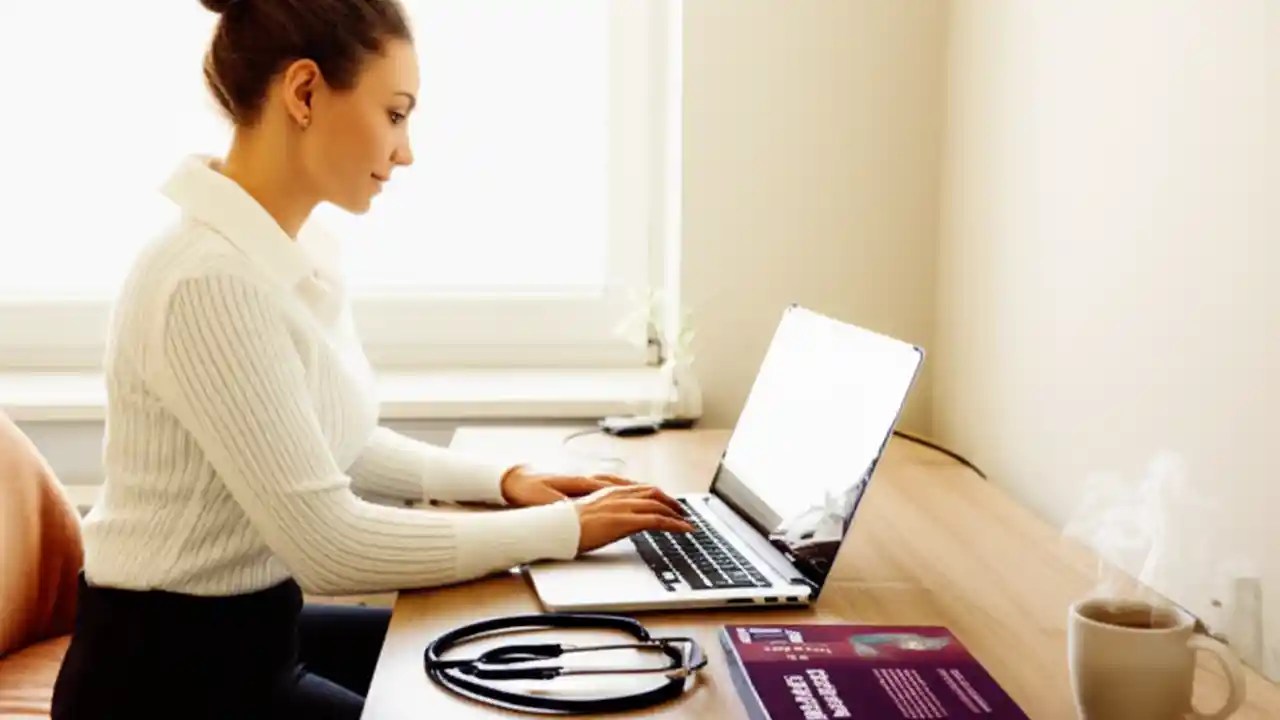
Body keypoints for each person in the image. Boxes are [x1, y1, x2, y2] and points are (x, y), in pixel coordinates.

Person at [49, 1, 694, 717]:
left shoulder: (290, 253)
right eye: (395, 114)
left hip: (258, 632)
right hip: (166, 683)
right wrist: (565, 532)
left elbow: (336, 447)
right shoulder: (206, 279)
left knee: (524, 656)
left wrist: (508, 483)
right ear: (303, 93)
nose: (406, 149)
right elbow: (331, 544)